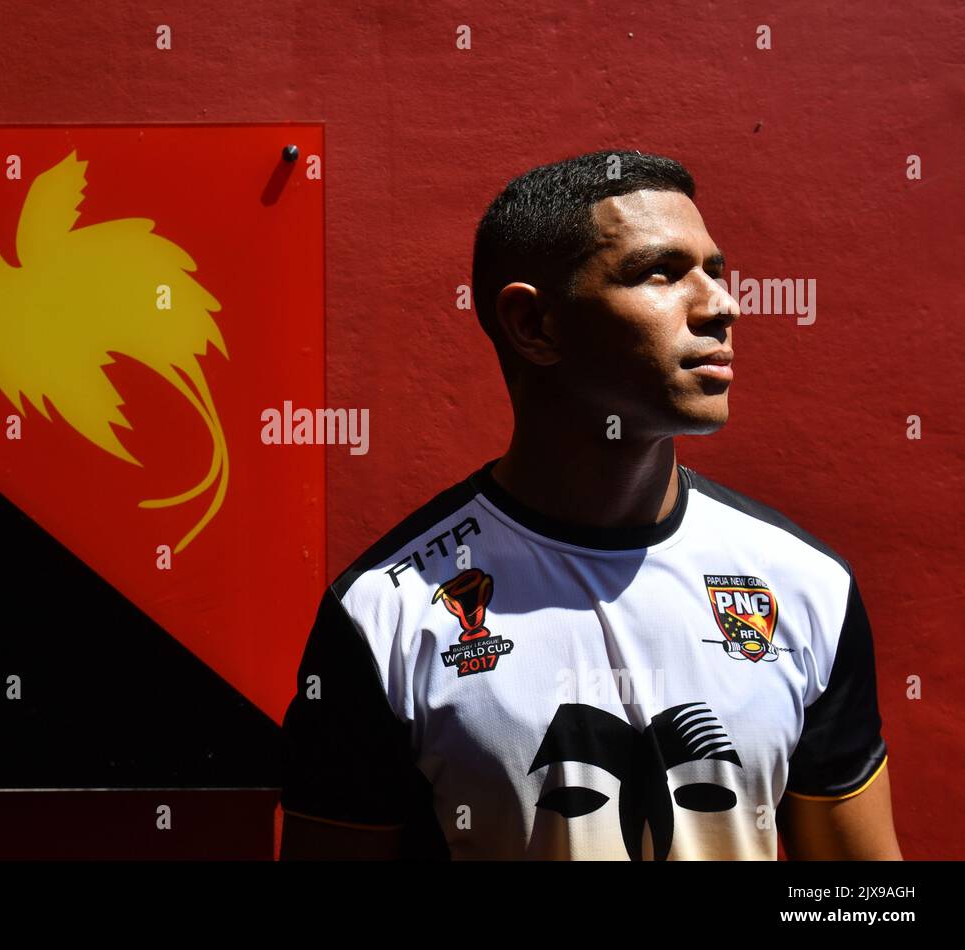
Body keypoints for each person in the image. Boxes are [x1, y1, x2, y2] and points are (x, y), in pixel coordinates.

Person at [279, 150, 902, 860]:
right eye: (662, 273)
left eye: (716, 272)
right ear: (533, 325)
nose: (722, 306)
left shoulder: (805, 587)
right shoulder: (386, 615)